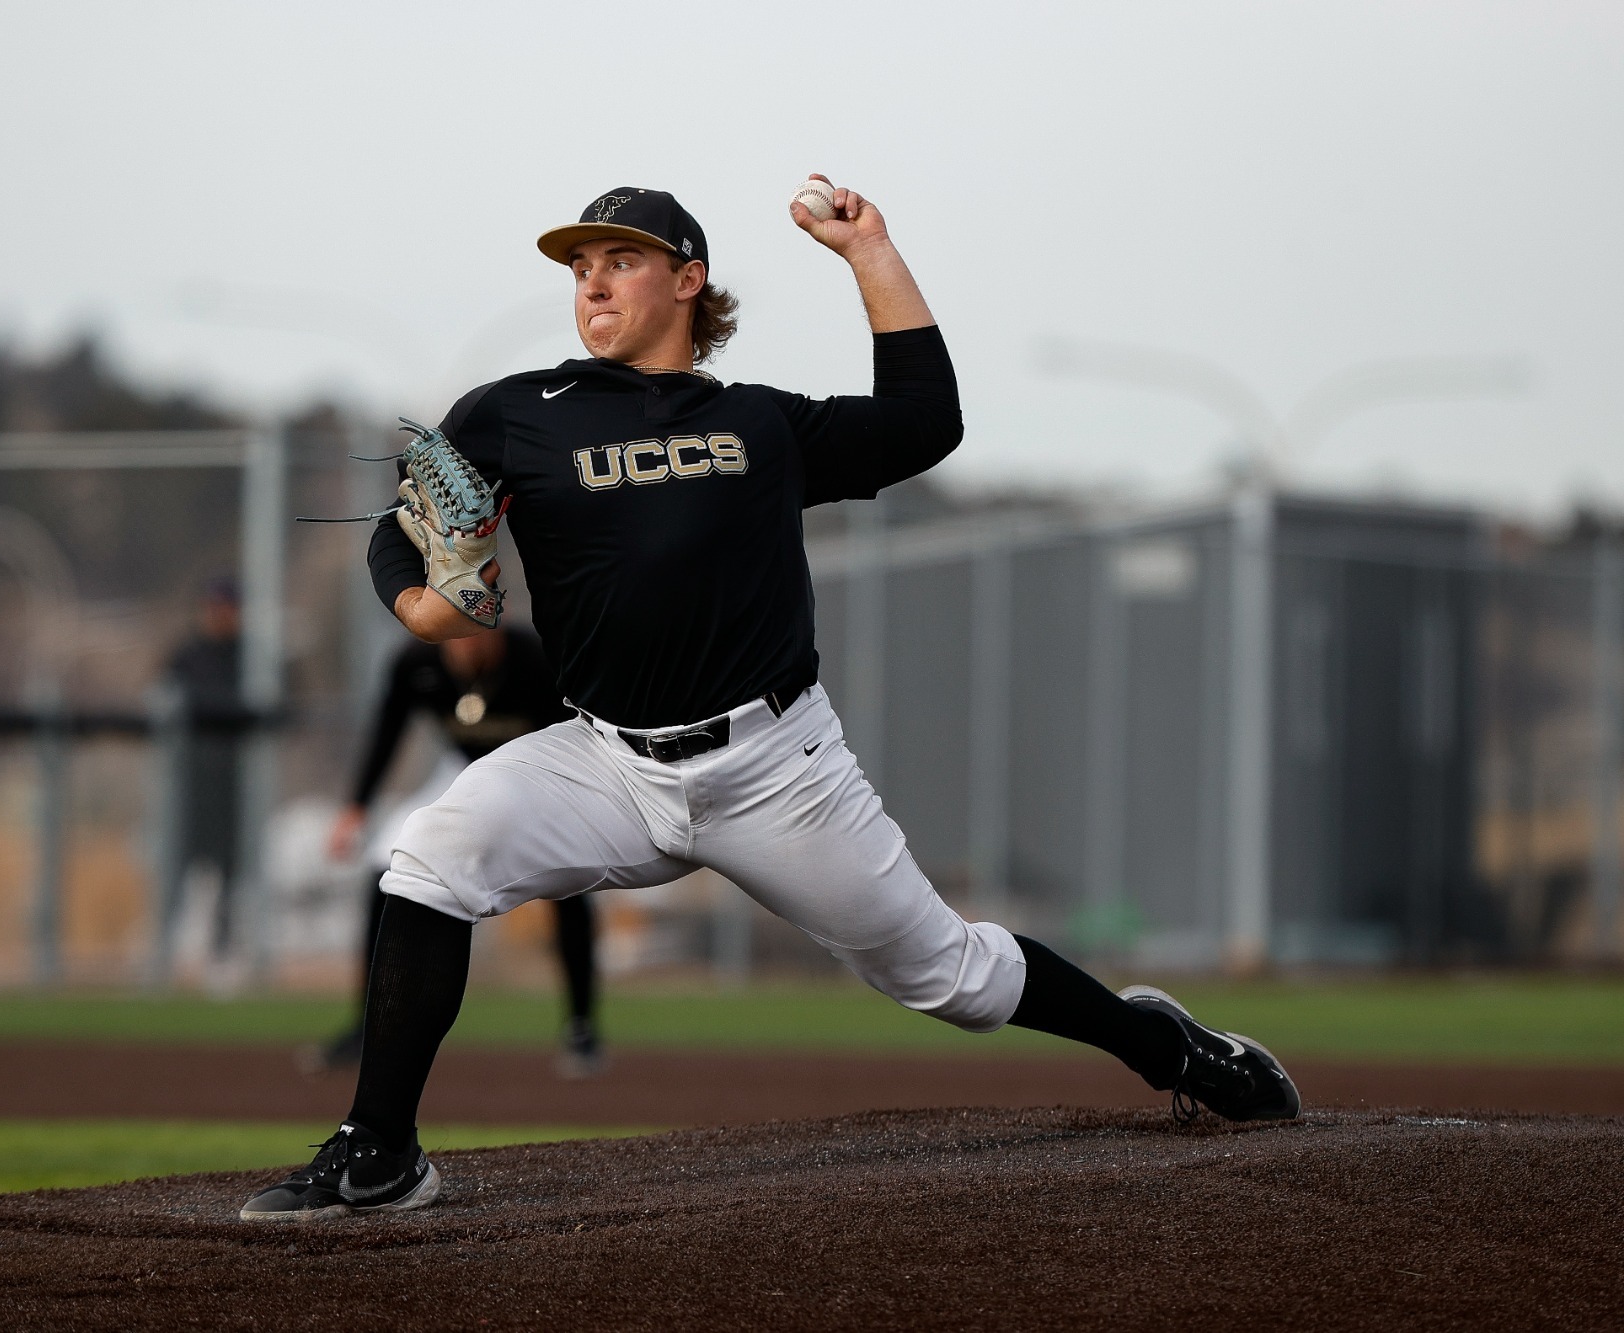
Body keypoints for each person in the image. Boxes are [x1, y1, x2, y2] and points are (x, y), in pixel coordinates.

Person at [239, 179, 1298, 1223]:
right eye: (579, 266)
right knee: (429, 858)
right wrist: (419, 605)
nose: (591, 283)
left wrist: (868, 255)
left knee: (953, 979)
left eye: (620, 260)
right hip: (602, 760)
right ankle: (380, 1149)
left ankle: (1168, 1046)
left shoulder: (756, 423)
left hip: (773, 770)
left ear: (687, 280)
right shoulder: (518, 413)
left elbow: (923, 423)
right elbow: (403, 520)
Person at [304, 626, 603, 1078]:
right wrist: (356, 808)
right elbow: (388, 731)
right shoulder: (416, 664)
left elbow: (579, 732)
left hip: (538, 772)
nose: (465, 641)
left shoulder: (535, 660)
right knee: (386, 863)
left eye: (475, 628)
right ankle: (372, 1025)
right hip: (464, 772)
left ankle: (581, 1027)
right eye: (454, 628)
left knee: (568, 878)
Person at [162, 576, 244, 963]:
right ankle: (167, 940)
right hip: (191, 776)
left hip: (237, 779)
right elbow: (163, 700)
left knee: (232, 864)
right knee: (180, 856)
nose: (220, 615)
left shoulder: (250, 656)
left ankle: (222, 945)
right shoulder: (187, 655)